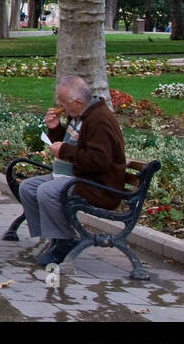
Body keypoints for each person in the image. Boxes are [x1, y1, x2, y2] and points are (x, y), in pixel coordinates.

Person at [18, 76, 127, 267]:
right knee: (28, 188)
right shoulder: (78, 115)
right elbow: (71, 144)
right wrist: (55, 129)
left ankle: (65, 242)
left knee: (47, 191)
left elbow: (99, 161)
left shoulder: (98, 120)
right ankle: (55, 239)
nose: (59, 105)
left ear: (78, 102)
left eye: (62, 101)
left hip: (98, 185)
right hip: (74, 177)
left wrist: (65, 151)